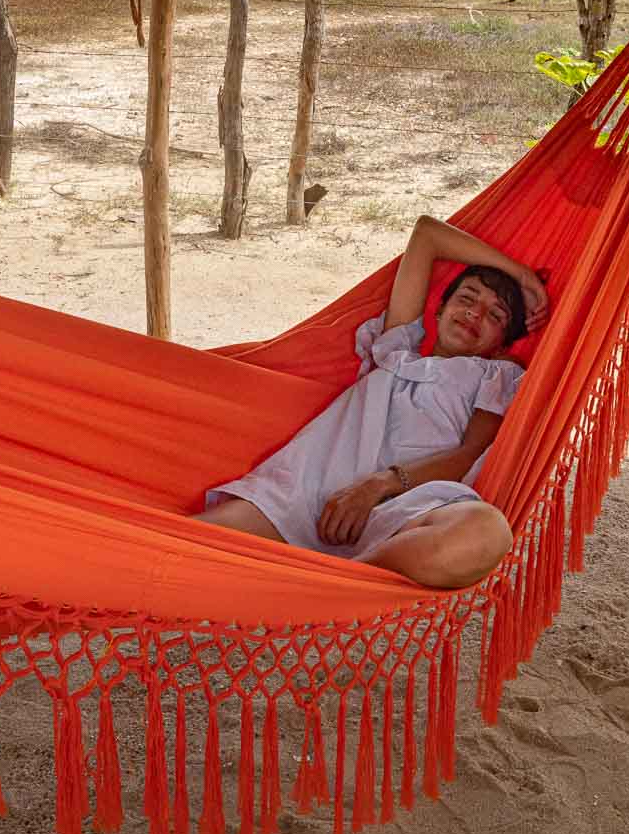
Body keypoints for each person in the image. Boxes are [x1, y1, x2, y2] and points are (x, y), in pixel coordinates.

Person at [198, 215, 548, 589]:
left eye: (495, 316)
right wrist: (520, 275)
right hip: (300, 499)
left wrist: (379, 485)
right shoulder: (395, 348)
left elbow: (470, 452)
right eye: (466, 298)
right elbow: (427, 235)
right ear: (440, 310)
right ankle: (330, 581)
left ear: (500, 344)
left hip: (402, 513)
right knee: (173, 547)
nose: (474, 314)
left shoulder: (493, 373)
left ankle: (340, 580)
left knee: (486, 534)